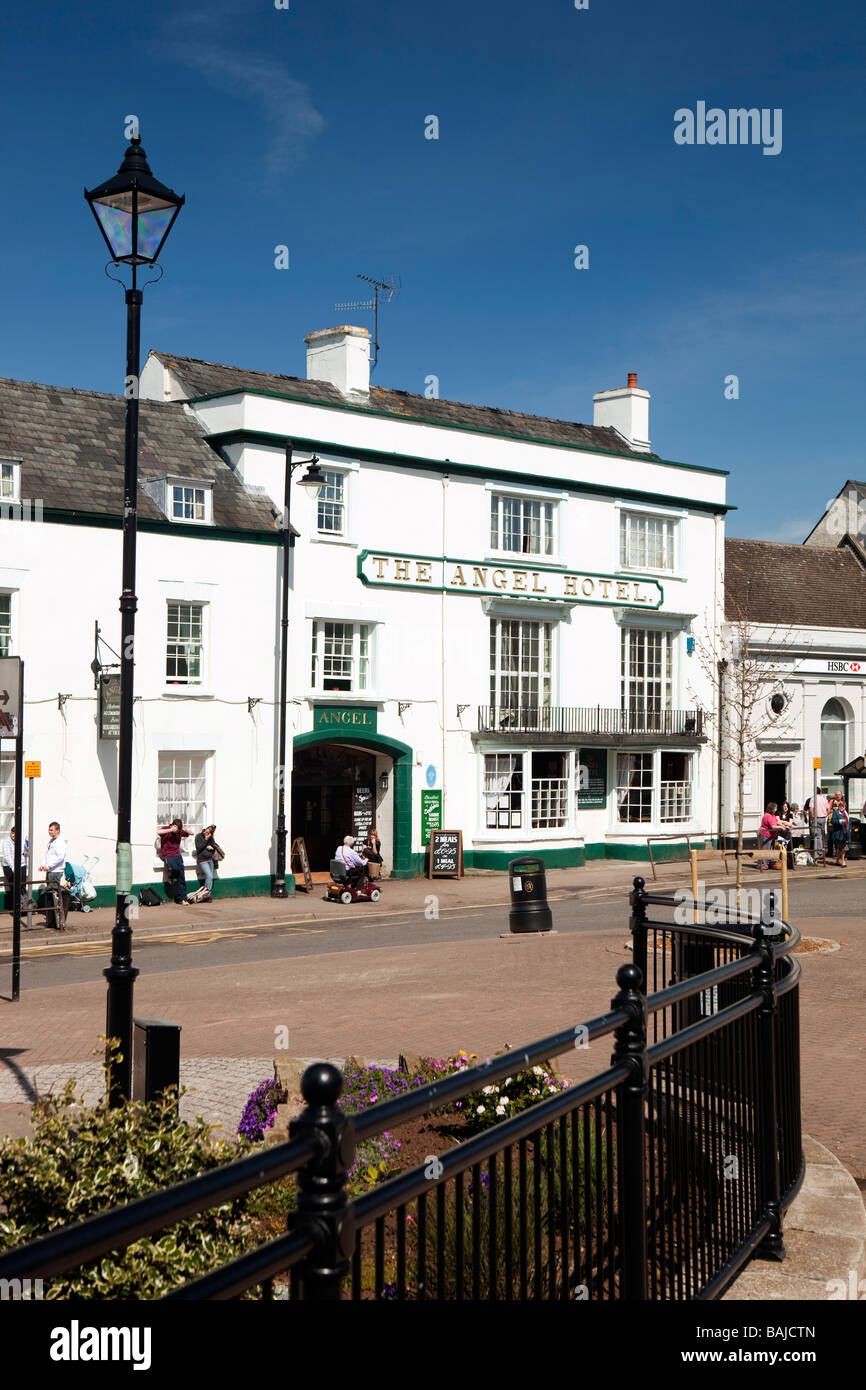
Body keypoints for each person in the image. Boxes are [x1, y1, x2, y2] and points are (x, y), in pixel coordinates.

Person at [158, 817, 191, 904]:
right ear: (174, 825)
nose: (177, 832)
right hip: (168, 855)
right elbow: (158, 832)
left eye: (178, 830)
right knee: (175, 869)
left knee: (181, 874)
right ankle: (171, 877)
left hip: (177, 854)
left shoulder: (179, 831)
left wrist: (186, 829)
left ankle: (182, 898)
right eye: (176, 829)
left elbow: (191, 833)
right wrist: (170, 830)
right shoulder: (166, 829)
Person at [1, 826, 27, 908]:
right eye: (12, 833)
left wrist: (27, 847)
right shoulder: (6, 842)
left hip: (21, 865)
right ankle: (16, 907)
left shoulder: (22, 841)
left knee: (22, 885)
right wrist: (13, 868)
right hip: (9, 866)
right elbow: (7, 856)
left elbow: (25, 854)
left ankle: (24, 906)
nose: (13, 835)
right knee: (14, 886)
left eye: (15, 834)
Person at [194, 824, 224, 897]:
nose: (207, 832)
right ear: (205, 829)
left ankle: (207, 894)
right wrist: (206, 840)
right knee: (209, 876)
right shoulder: (198, 836)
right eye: (207, 830)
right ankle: (206, 894)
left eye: (210, 832)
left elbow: (214, 845)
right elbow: (199, 848)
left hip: (210, 860)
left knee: (210, 877)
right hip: (202, 860)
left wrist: (211, 846)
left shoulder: (211, 837)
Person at [757, 802, 784, 869]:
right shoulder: (768, 816)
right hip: (765, 835)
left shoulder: (772, 815)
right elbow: (773, 826)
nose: (776, 809)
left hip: (770, 836)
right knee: (765, 849)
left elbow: (777, 822)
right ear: (772, 809)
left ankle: (767, 864)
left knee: (769, 849)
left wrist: (783, 824)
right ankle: (762, 865)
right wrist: (780, 827)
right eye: (776, 808)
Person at [828, 793, 849, 866]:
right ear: (839, 807)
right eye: (841, 806)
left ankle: (837, 860)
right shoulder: (836, 813)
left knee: (841, 848)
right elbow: (832, 821)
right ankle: (843, 861)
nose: (842, 807)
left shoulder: (845, 813)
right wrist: (839, 821)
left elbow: (848, 822)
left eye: (843, 806)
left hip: (845, 833)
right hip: (838, 833)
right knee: (841, 848)